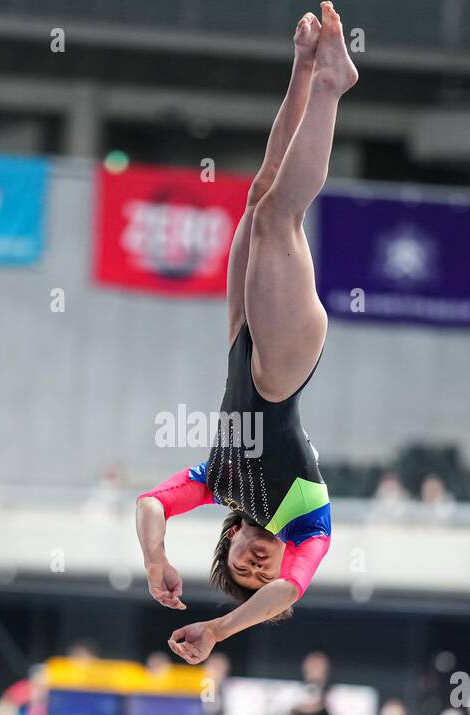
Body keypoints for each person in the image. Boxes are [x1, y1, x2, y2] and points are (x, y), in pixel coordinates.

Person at [136, 3, 358, 665]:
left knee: (261, 196)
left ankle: (305, 66)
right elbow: (286, 593)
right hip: (282, 363)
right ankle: (333, 86)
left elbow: (150, 503)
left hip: (244, 340)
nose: (260, 563)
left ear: (228, 538)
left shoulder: (215, 482)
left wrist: (155, 562)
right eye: (264, 569)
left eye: (244, 565)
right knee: (278, 221)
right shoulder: (308, 527)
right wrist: (219, 629)